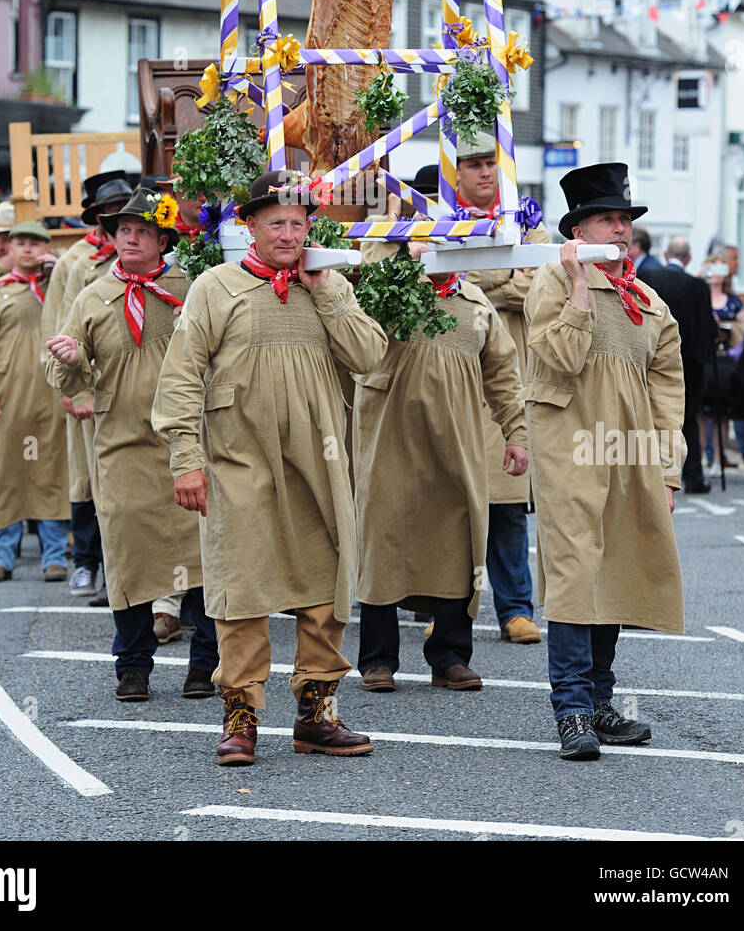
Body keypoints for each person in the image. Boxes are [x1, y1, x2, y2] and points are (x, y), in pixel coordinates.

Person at [152, 170, 387, 766]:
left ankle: (317, 714)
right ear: (249, 226)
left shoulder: (330, 287)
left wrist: (329, 292)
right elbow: (180, 375)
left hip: (320, 461)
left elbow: (370, 357)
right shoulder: (215, 286)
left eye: (298, 222)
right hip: (239, 461)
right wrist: (186, 459)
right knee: (241, 589)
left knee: (325, 587)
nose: (288, 232)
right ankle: (241, 716)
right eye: (275, 221)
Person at [525, 162, 685, 760]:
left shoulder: (650, 302)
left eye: (624, 220)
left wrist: (667, 469)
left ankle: (598, 701)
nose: (619, 230)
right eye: (606, 219)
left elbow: (668, 395)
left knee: (613, 568)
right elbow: (558, 357)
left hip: (631, 453)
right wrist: (574, 286)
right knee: (573, 570)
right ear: (580, 230)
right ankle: (570, 711)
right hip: (568, 448)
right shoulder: (551, 279)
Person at [46, 188, 218, 702]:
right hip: (119, 446)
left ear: (162, 239)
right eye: (123, 230)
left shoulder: (192, 287)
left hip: (188, 443)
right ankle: (133, 666)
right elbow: (64, 380)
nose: (131, 238)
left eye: (142, 230)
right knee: (125, 556)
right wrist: (72, 357)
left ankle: (204, 665)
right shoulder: (92, 297)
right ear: (112, 238)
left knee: (204, 556)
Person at [353, 238, 528, 693]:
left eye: (449, 244)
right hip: (388, 443)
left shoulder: (477, 304)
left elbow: (504, 375)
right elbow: (359, 281)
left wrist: (517, 434)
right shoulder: (387, 291)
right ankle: (378, 660)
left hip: (459, 446)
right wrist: (401, 254)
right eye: (430, 241)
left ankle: (450, 656)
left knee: (457, 544)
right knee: (382, 543)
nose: (438, 251)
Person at [457, 134, 549, 645]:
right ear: (457, 172)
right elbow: (446, 278)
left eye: (491, 163)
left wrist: (477, 273)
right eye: (473, 165)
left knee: (509, 507)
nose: (485, 173)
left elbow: (537, 287)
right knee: (454, 505)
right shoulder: (441, 223)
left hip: (508, 380)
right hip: (458, 375)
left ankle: (516, 608)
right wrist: (507, 272)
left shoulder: (527, 224)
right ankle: (450, 604)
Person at [0, 222, 69, 582]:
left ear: (46, 247)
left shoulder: (60, 288)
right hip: (5, 400)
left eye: (35, 243)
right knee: (6, 476)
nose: (27, 249)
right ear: (9, 248)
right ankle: (1, 556)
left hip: (51, 397)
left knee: (51, 473)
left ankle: (55, 557)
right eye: (20, 243)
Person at [41, 172, 134, 600]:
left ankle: (130, 574)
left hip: (132, 389)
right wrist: (73, 391)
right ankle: (86, 563)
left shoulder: (150, 257)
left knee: (128, 482)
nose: (117, 221)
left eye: (124, 211)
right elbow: (58, 329)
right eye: (109, 214)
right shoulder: (76, 262)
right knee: (87, 478)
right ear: (98, 218)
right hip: (89, 387)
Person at [643, 236, 717, 495]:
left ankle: (648, 477)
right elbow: (707, 330)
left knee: (649, 417)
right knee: (686, 420)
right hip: (688, 365)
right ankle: (694, 477)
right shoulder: (698, 286)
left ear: (666, 254)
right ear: (687, 258)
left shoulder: (648, 275)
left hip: (649, 357)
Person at [701, 250, 744, 468]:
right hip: (704, 361)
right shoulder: (699, 296)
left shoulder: (733, 301)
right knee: (702, 413)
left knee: (723, 413)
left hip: (727, 361)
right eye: (714, 268)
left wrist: (728, 329)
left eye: (722, 269)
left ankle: (717, 459)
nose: (717, 274)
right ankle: (699, 458)